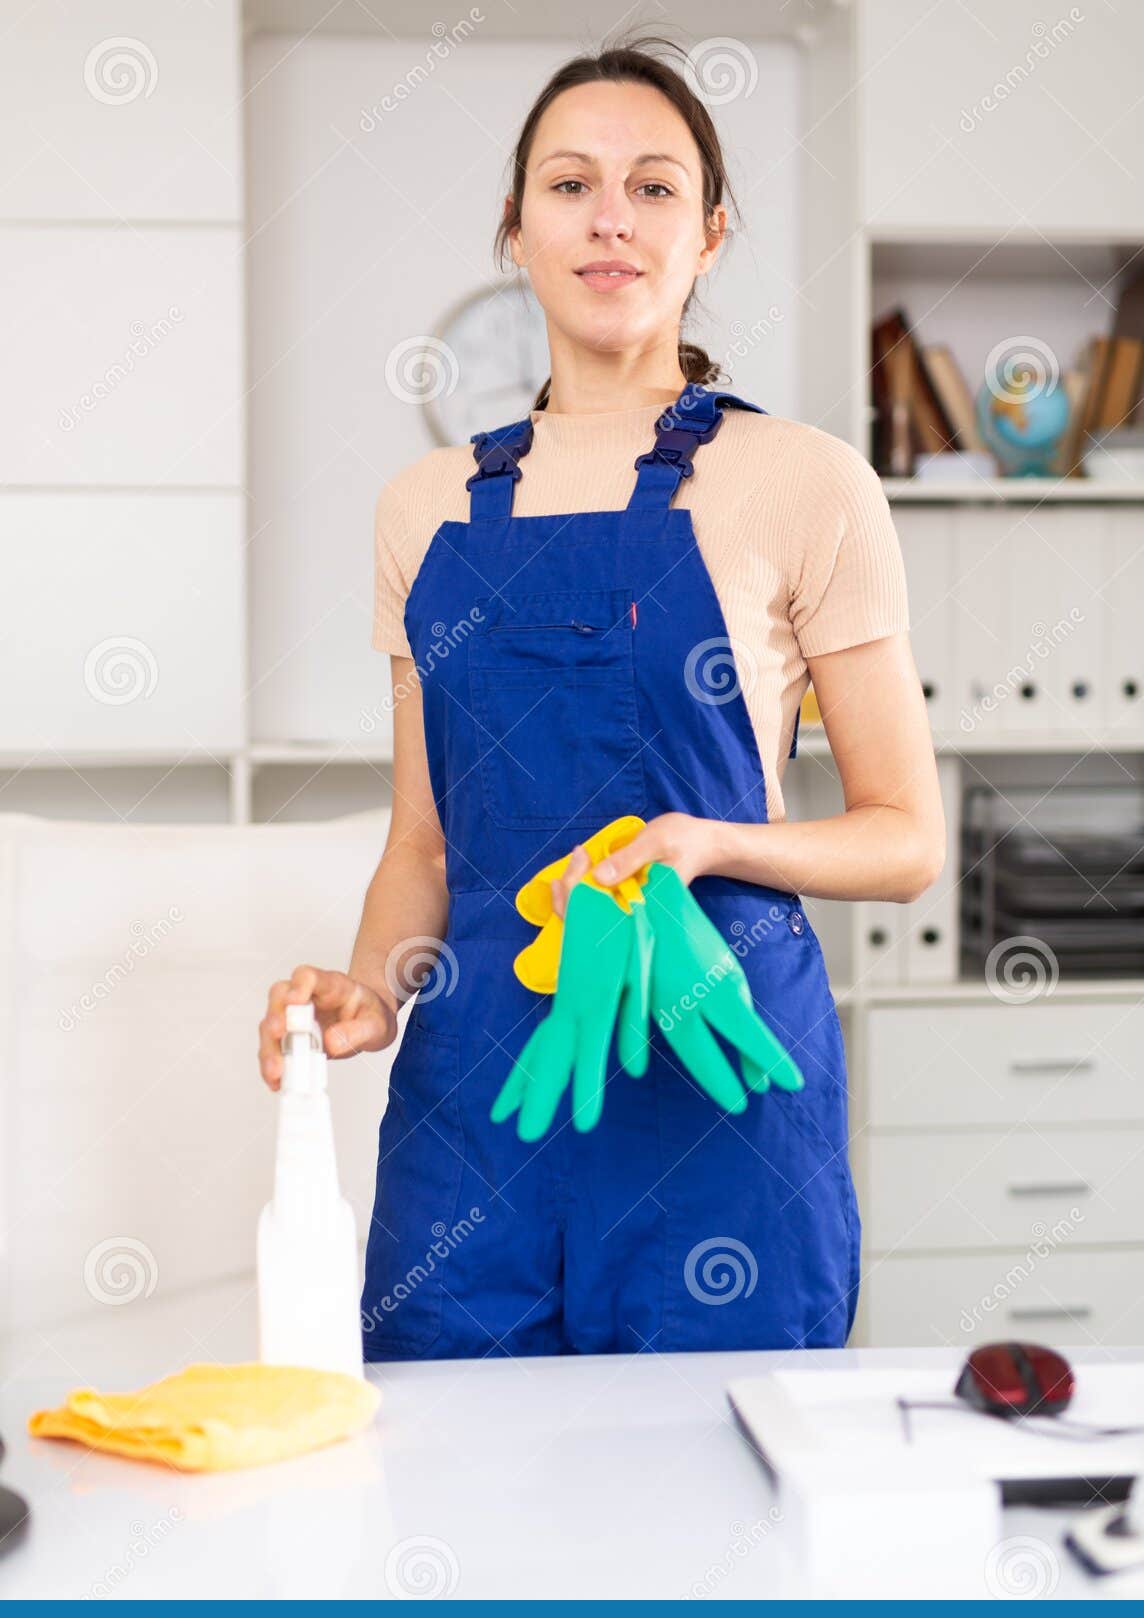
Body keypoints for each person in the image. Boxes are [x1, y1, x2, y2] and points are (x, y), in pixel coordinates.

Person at [257, 33, 945, 1362]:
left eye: (655, 186)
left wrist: (706, 841)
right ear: (515, 231)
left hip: (715, 1098)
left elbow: (905, 834)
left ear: (713, 232)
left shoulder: (807, 484)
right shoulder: (426, 507)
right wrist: (372, 989)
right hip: (482, 1105)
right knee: (453, 1497)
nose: (610, 218)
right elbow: (425, 844)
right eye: (569, 186)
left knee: (716, 1525)